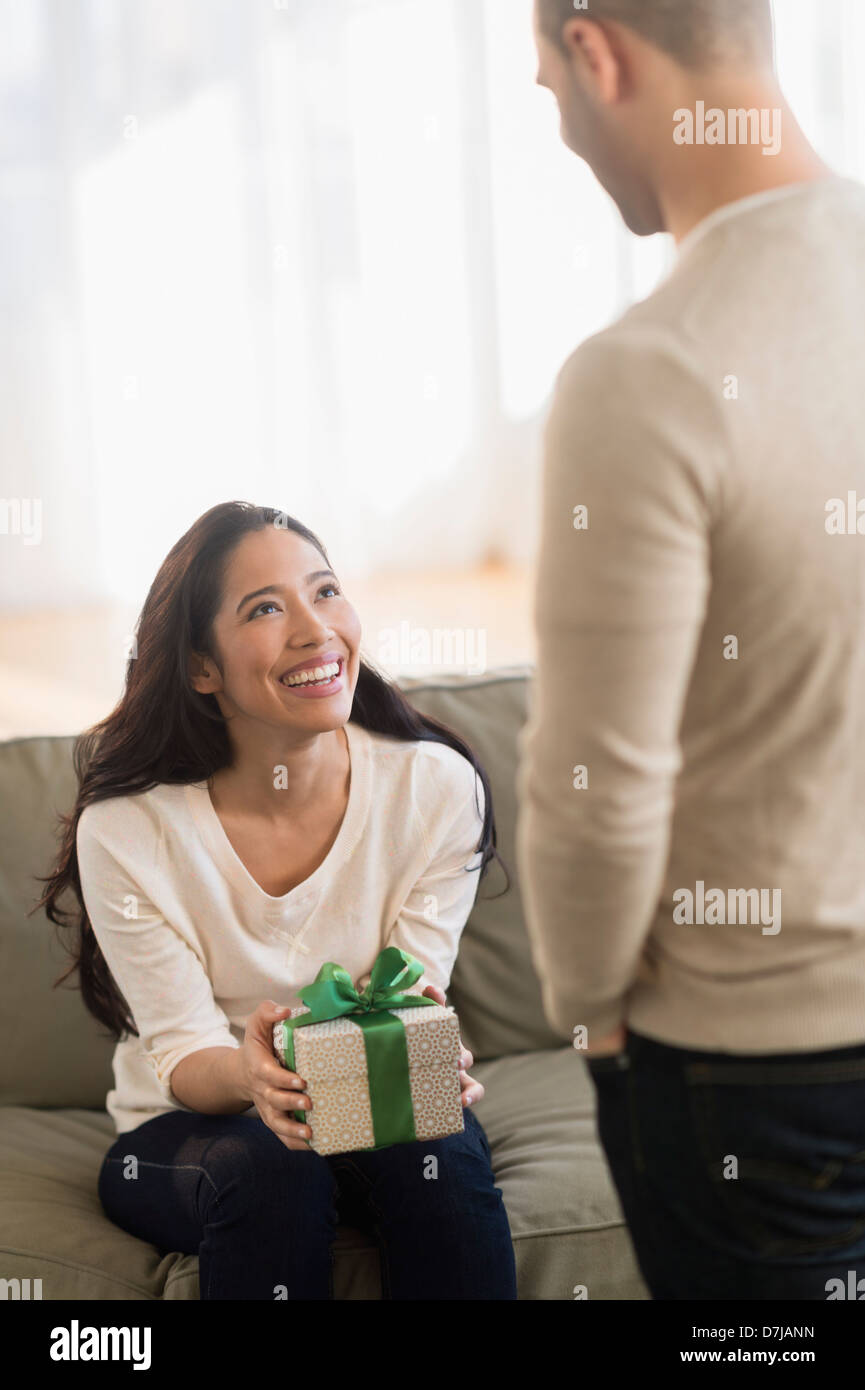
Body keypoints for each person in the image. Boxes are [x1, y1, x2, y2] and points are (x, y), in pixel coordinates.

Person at [516, 0, 865, 1299]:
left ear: (596, 53)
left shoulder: (647, 372)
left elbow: (598, 779)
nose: (558, 126)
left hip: (754, 1066)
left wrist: (591, 1003)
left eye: (547, 84)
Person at [39, 501, 517, 1301]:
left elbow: (408, 993)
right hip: (190, 1127)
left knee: (437, 1151)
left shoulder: (433, 788)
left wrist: (424, 1052)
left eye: (325, 591)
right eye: (265, 608)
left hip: (368, 1097)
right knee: (267, 1165)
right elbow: (185, 1054)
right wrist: (259, 1077)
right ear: (201, 666)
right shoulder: (127, 830)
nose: (314, 629)